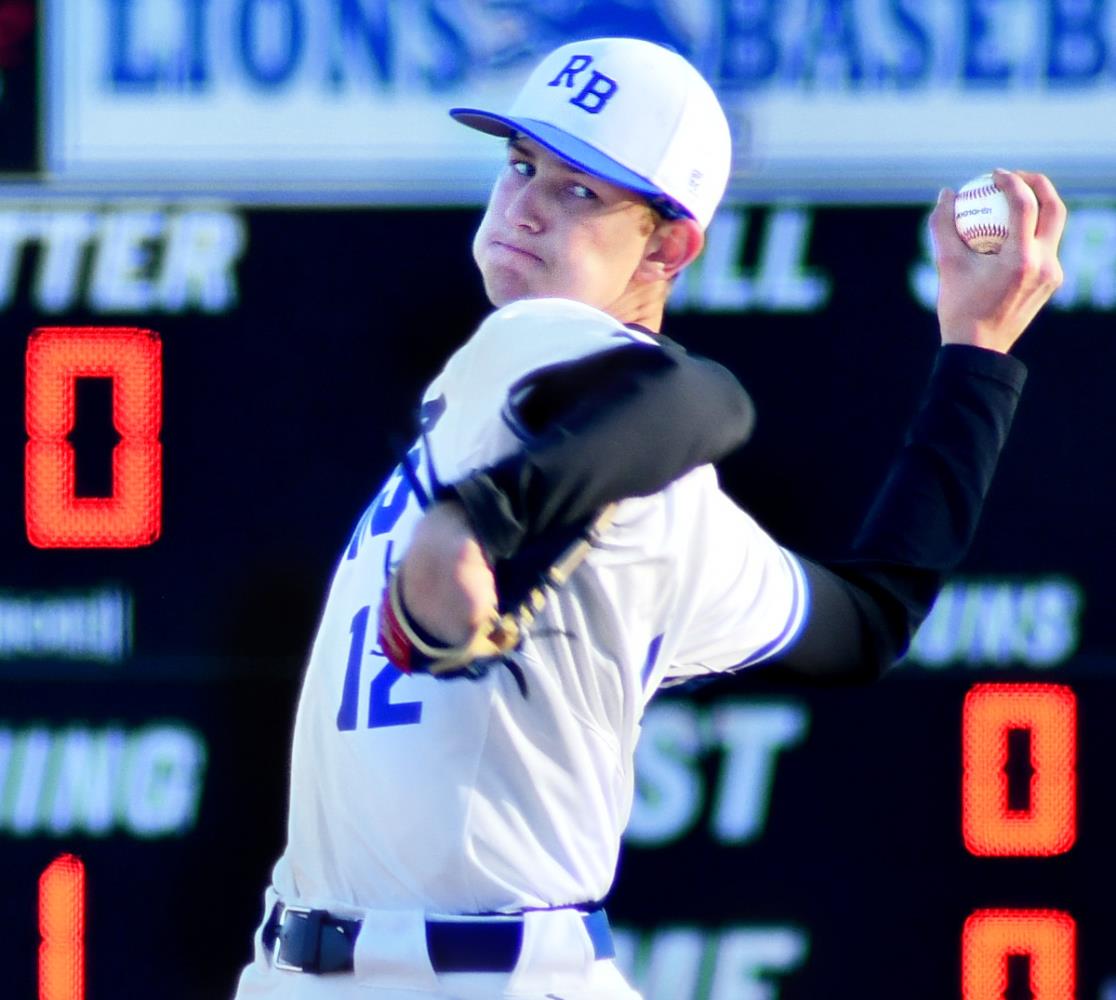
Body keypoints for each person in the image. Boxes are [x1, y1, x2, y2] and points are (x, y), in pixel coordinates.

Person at [234, 36, 1066, 1000]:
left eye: (582, 192)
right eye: (520, 165)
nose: (527, 203)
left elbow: (693, 398)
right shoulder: (664, 503)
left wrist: (483, 519)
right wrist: (976, 352)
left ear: (669, 246)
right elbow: (869, 620)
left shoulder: (537, 342)